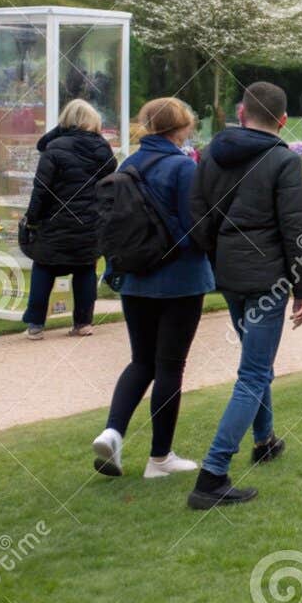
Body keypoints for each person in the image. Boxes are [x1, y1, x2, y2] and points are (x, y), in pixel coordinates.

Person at [186, 82, 302, 509]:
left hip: (232, 273)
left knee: (256, 363)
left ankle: (265, 439)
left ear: (242, 113)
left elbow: (197, 218)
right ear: (282, 120)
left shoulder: (211, 156)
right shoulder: (282, 159)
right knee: (254, 373)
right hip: (265, 277)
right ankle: (213, 473)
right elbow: (296, 231)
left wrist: (218, 256)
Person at [91, 97, 212, 480]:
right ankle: (160, 458)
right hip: (179, 279)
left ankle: (113, 432)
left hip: (136, 277)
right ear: (183, 127)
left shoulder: (129, 164)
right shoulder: (181, 167)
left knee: (141, 360)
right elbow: (196, 226)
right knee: (170, 365)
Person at [21, 98, 116, 338]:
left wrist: (32, 218)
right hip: (89, 220)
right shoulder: (102, 150)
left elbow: (41, 189)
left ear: (65, 122)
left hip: (55, 220)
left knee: (44, 267)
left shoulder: (55, 148)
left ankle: (36, 324)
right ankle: (83, 323)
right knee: (85, 268)